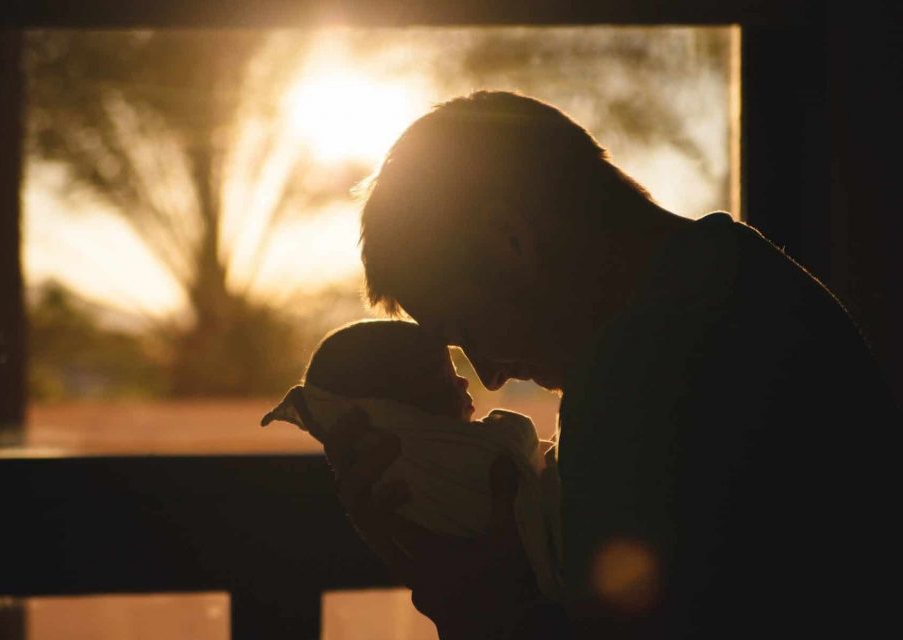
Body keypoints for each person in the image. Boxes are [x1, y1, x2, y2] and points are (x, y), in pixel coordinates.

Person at [321, 91, 900, 638]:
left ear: (508, 242)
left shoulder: (637, 379)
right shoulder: (742, 283)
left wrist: (463, 594)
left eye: (465, 330)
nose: (489, 375)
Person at [261, 319, 565, 603]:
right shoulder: (458, 457)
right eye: (443, 375)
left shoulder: (384, 482)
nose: (465, 381)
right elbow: (520, 443)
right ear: (393, 410)